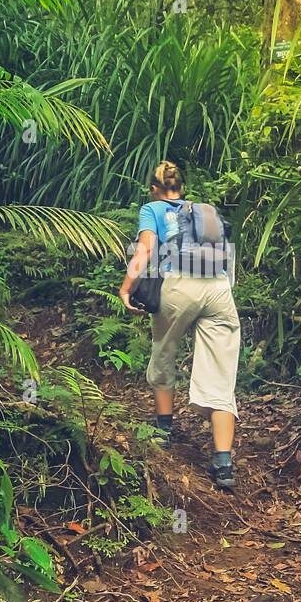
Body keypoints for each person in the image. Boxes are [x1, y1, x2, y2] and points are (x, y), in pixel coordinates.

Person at [118, 161, 242, 489]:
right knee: (220, 373)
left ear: (154, 188)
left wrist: (126, 287)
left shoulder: (152, 209)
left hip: (180, 285)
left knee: (163, 352)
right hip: (217, 287)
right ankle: (223, 464)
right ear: (182, 188)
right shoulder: (202, 210)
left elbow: (145, 249)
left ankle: (162, 432)